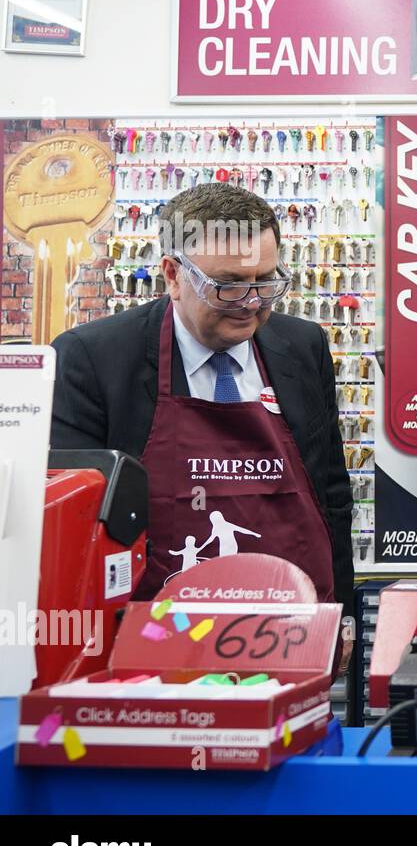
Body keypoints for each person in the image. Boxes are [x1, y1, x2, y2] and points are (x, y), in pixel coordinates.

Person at [50, 183, 354, 615]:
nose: (251, 303)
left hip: (292, 626)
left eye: (266, 282)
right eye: (227, 286)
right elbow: (73, 520)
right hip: (151, 636)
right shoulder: (93, 359)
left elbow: (331, 495)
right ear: (173, 275)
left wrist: (340, 617)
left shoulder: (302, 346)